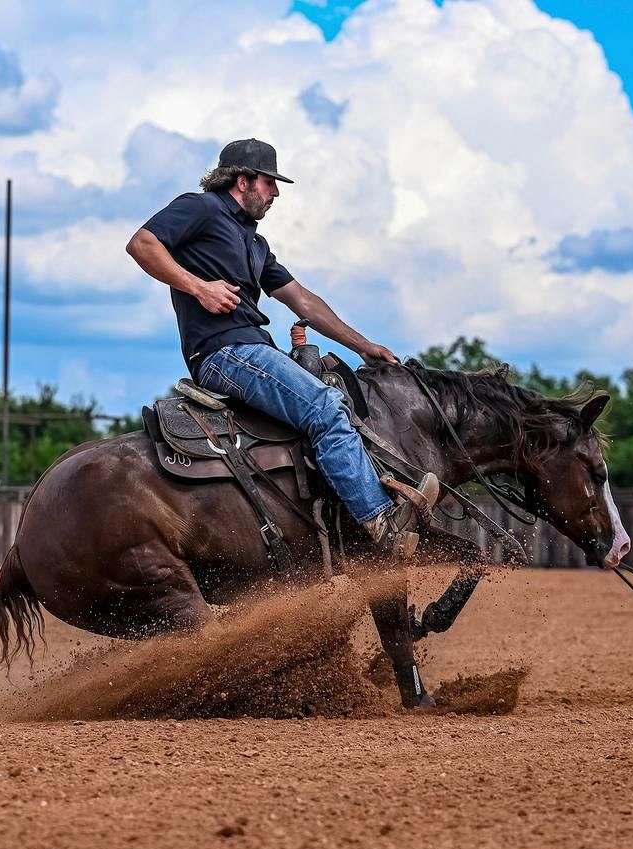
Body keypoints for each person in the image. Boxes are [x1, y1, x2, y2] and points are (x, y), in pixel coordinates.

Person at [125, 138, 438, 556]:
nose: (276, 193)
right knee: (324, 408)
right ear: (242, 181)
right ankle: (382, 525)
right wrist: (199, 288)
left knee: (345, 402)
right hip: (225, 352)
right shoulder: (201, 209)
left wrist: (363, 345)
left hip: (255, 350)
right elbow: (142, 244)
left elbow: (303, 301)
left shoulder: (255, 245)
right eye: (269, 182)